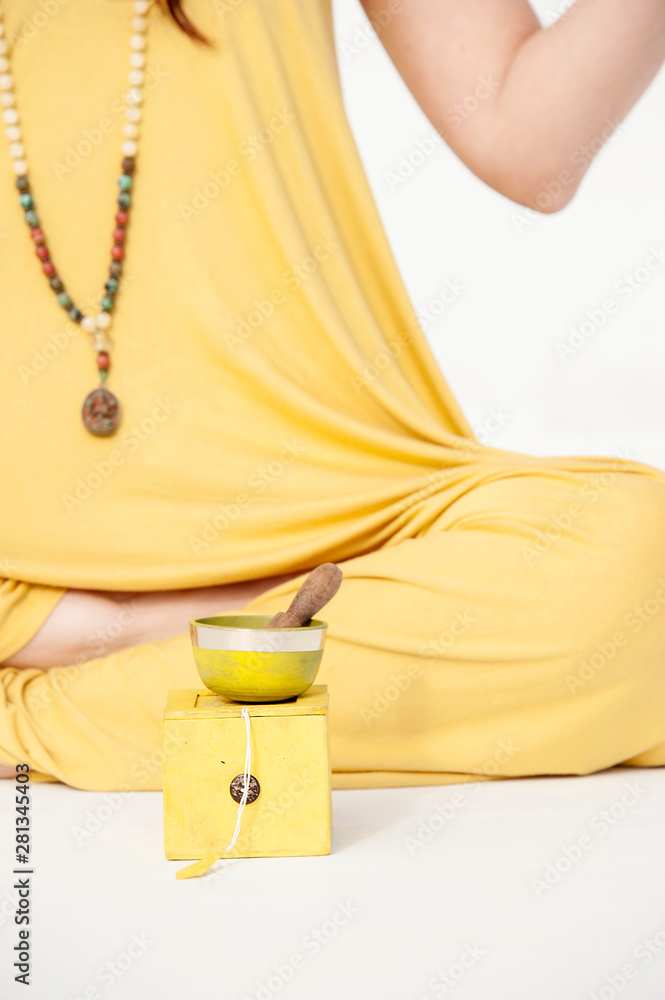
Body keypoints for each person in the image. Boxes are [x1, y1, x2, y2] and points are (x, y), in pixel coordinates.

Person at [1, 0, 664, 789]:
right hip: (22, 547)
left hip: (337, 510)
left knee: (634, 564)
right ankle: (233, 651)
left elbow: (531, 140)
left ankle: (84, 680)